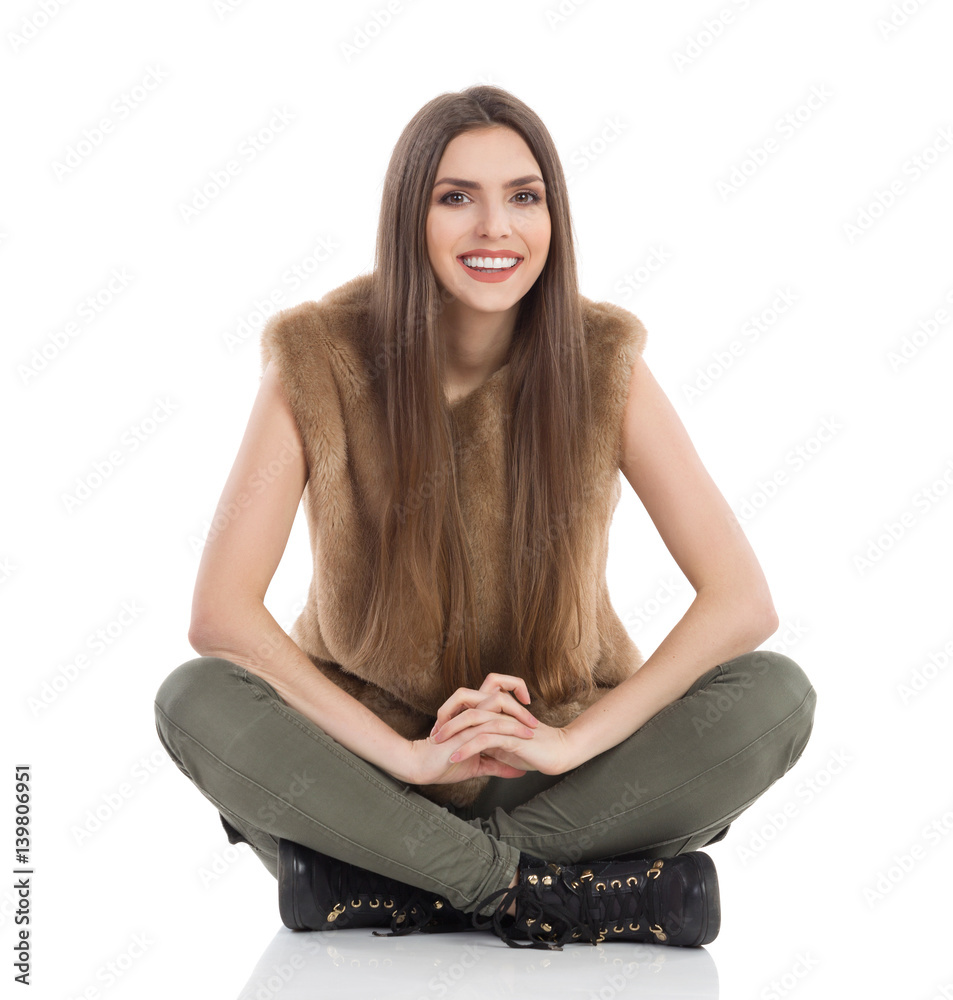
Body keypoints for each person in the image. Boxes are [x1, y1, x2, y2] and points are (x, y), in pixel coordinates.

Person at [153, 84, 817, 952]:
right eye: (456, 196)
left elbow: (741, 601)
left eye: (524, 197)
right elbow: (222, 616)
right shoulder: (318, 357)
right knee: (194, 699)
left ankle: (393, 887)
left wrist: (572, 743)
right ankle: (555, 894)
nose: (495, 228)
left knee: (775, 697)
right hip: (370, 776)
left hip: (562, 784)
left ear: (554, 217)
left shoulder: (603, 359)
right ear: (409, 217)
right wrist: (412, 759)